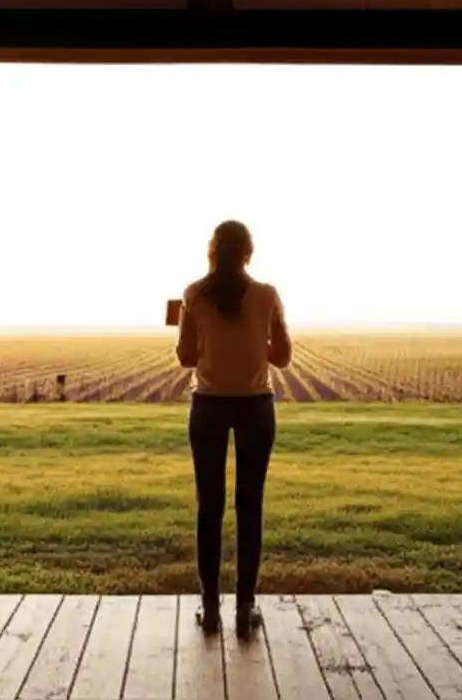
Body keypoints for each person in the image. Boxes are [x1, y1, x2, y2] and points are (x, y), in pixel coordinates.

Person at [175, 220, 292, 639]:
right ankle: (245, 606)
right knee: (250, 505)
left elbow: (186, 357)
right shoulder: (267, 296)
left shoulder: (193, 295)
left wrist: (211, 343)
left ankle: (210, 609)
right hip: (255, 406)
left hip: (208, 406)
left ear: (212, 252)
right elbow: (283, 357)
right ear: (248, 254)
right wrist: (254, 342)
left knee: (209, 506)